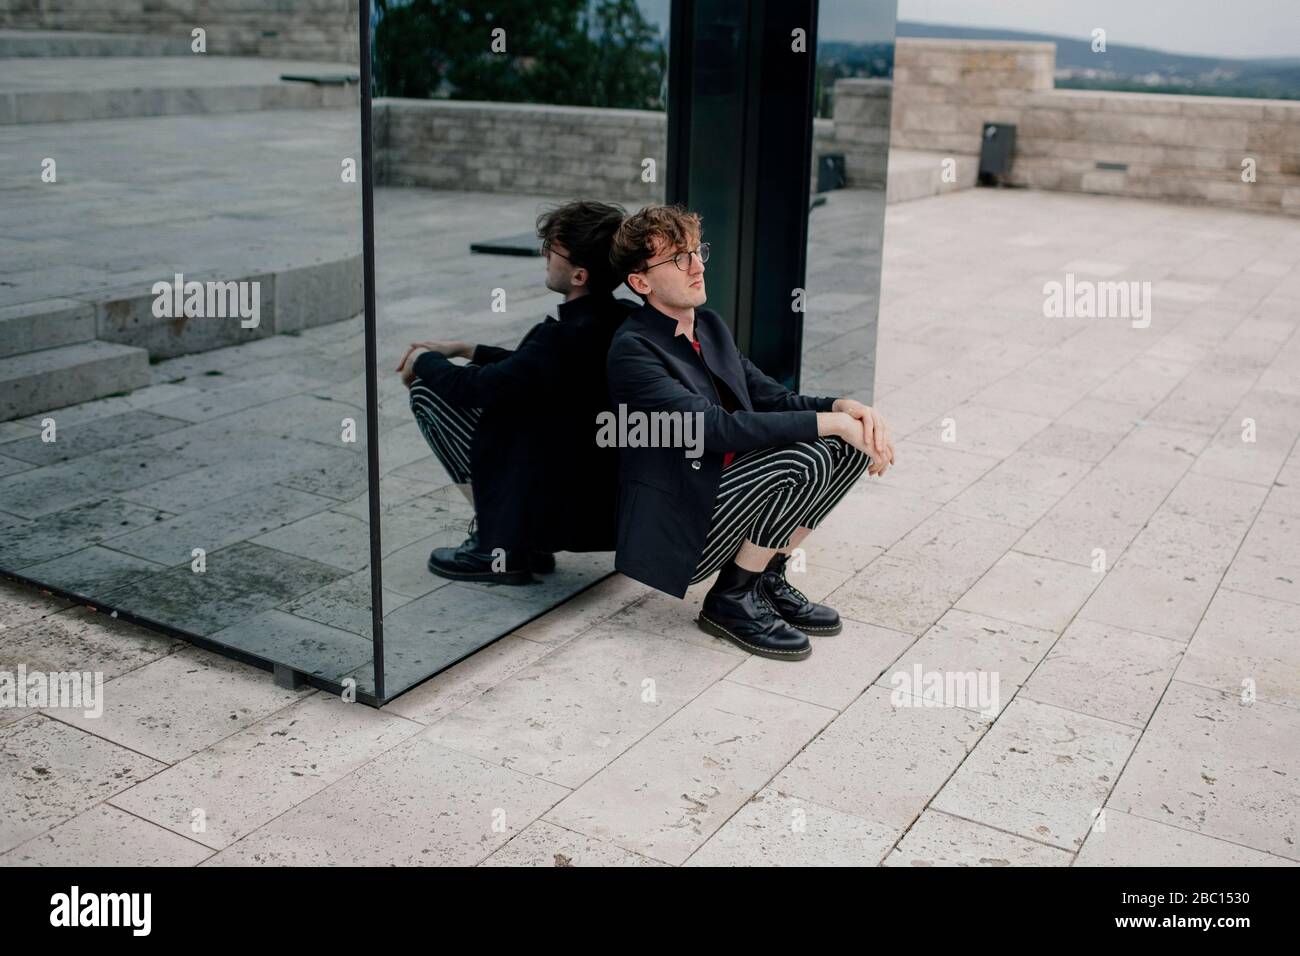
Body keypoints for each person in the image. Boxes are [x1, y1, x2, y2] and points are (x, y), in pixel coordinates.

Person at [606, 204, 895, 660]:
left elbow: (772, 397)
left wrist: (843, 408)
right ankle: (732, 598)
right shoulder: (634, 350)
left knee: (847, 449)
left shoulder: (710, 327)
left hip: (726, 494)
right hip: (684, 519)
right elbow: (715, 429)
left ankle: (765, 578)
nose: (697, 266)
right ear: (641, 283)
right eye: (678, 259)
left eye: (697, 251)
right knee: (805, 456)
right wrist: (832, 424)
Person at [396, 199, 638, 584]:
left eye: (552, 249)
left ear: (579, 275)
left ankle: (498, 546)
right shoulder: (619, 318)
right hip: (593, 498)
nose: (544, 255)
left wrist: (421, 360)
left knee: (430, 392)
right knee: (507, 398)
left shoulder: (560, 340)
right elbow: (532, 369)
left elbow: (472, 389)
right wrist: (468, 349)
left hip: (563, 502)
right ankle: (523, 539)